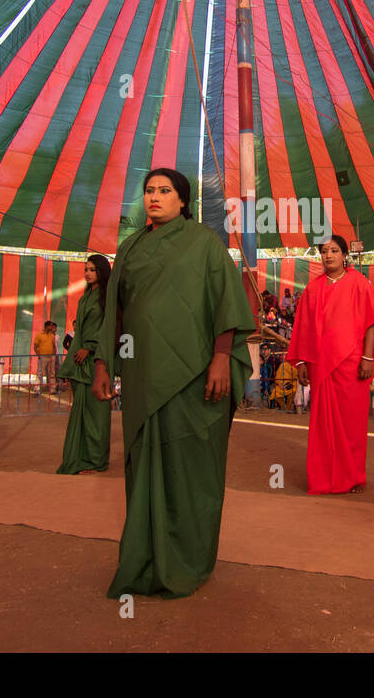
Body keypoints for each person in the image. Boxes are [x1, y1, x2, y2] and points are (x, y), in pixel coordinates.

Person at [92, 168, 253, 599]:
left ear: (183, 201)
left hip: (197, 375)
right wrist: (105, 364)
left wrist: (222, 358)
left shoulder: (204, 243)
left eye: (165, 191)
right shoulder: (129, 249)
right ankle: (145, 558)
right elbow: (117, 314)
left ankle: (190, 559)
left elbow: (226, 302)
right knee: (144, 462)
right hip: (144, 375)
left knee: (193, 466)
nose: (154, 197)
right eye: (149, 191)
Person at [288, 235, 374, 495]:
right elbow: (303, 329)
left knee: (352, 425)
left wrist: (367, 358)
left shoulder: (359, 283)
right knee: (323, 426)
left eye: (334, 250)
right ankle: (323, 479)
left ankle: (354, 477)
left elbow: (371, 322)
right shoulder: (313, 289)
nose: (328, 255)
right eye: (324, 251)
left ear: (345, 255)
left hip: (353, 365)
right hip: (321, 366)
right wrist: (301, 362)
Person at [57, 255, 113, 474]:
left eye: (92, 270)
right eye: (86, 269)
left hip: (96, 360)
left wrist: (89, 346)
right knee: (81, 412)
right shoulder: (84, 297)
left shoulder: (105, 297)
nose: (87, 273)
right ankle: (80, 457)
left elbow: (107, 326)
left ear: (101, 271)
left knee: (96, 413)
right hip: (80, 361)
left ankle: (97, 460)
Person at [33, 321, 59, 395]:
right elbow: (35, 347)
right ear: (46, 326)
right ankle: (37, 389)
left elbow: (54, 345)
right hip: (43, 356)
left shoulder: (52, 335)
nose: (52, 328)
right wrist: (39, 355)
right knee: (40, 373)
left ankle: (52, 389)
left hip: (51, 356)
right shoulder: (39, 335)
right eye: (50, 326)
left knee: (52, 373)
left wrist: (54, 355)